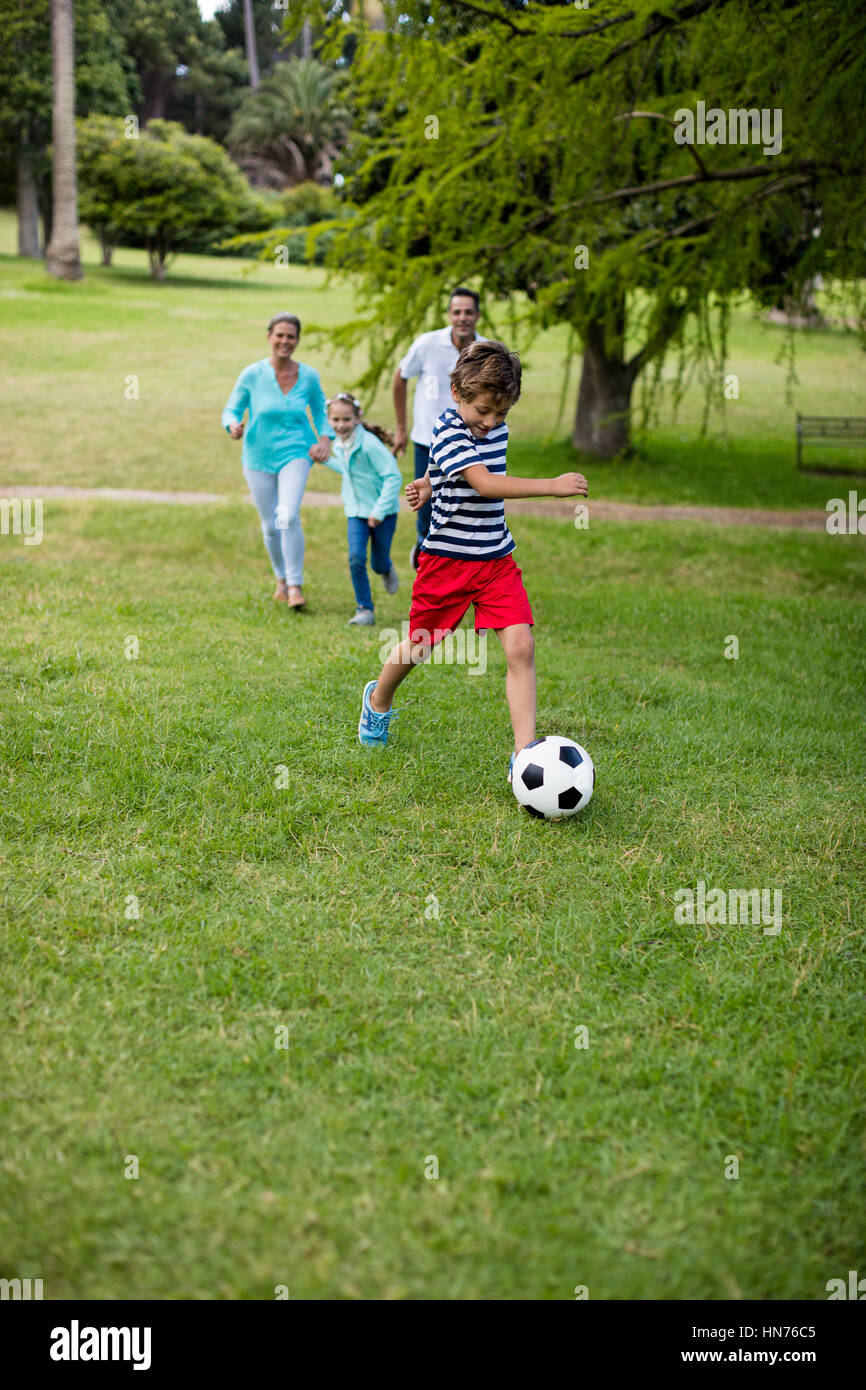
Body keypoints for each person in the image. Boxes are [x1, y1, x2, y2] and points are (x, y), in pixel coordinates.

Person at [357, 340, 589, 780]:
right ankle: (378, 700)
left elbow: (457, 471)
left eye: (501, 414)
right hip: (447, 560)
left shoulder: (491, 425)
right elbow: (484, 483)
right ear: (456, 392)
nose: (492, 422)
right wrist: (552, 486)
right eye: (483, 411)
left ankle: (525, 754)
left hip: (496, 558)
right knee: (422, 645)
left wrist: (428, 483)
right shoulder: (448, 429)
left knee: (521, 646)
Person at [222, 312, 332, 610]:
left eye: (291, 336)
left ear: (297, 340)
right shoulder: (252, 374)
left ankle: (295, 587)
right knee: (270, 525)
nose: (285, 341)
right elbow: (231, 410)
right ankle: (281, 581)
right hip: (257, 456)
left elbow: (322, 413)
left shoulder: (308, 376)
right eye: (280, 335)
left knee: (289, 515)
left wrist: (324, 439)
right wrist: (232, 425)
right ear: (269, 336)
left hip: (296, 453)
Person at [392, 287, 485, 571]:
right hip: (428, 442)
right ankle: (426, 556)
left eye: (468, 312)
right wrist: (400, 428)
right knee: (428, 505)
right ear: (449, 315)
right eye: (457, 312)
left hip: (471, 443)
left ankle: (461, 564)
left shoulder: (487, 350)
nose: (462, 318)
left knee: (467, 505)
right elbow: (401, 377)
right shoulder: (426, 344)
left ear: (477, 315)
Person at [317, 392, 402, 627]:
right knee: (355, 558)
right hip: (356, 512)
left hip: (382, 512)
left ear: (357, 417)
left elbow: (393, 476)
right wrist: (324, 459)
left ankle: (386, 569)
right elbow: (347, 470)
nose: (341, 425)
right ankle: (364, 609)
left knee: (378, 563)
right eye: (335, 420)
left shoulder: (369, 445)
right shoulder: (338, 444)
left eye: (346, 419)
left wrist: (379, 510)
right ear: (329, 419)